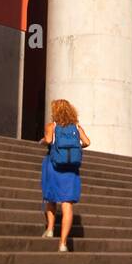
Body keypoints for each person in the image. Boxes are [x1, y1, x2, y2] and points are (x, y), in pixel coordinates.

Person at [40, 100, 90, 252]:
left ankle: (50, 229)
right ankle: (63, 243)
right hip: (71, 169)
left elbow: (49, 140)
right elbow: (87, 142)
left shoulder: (52, 126)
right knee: (67, 205)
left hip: (53, 165)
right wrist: (75, 147)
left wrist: (43, 141)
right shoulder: (76, 127)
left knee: (50, 198)